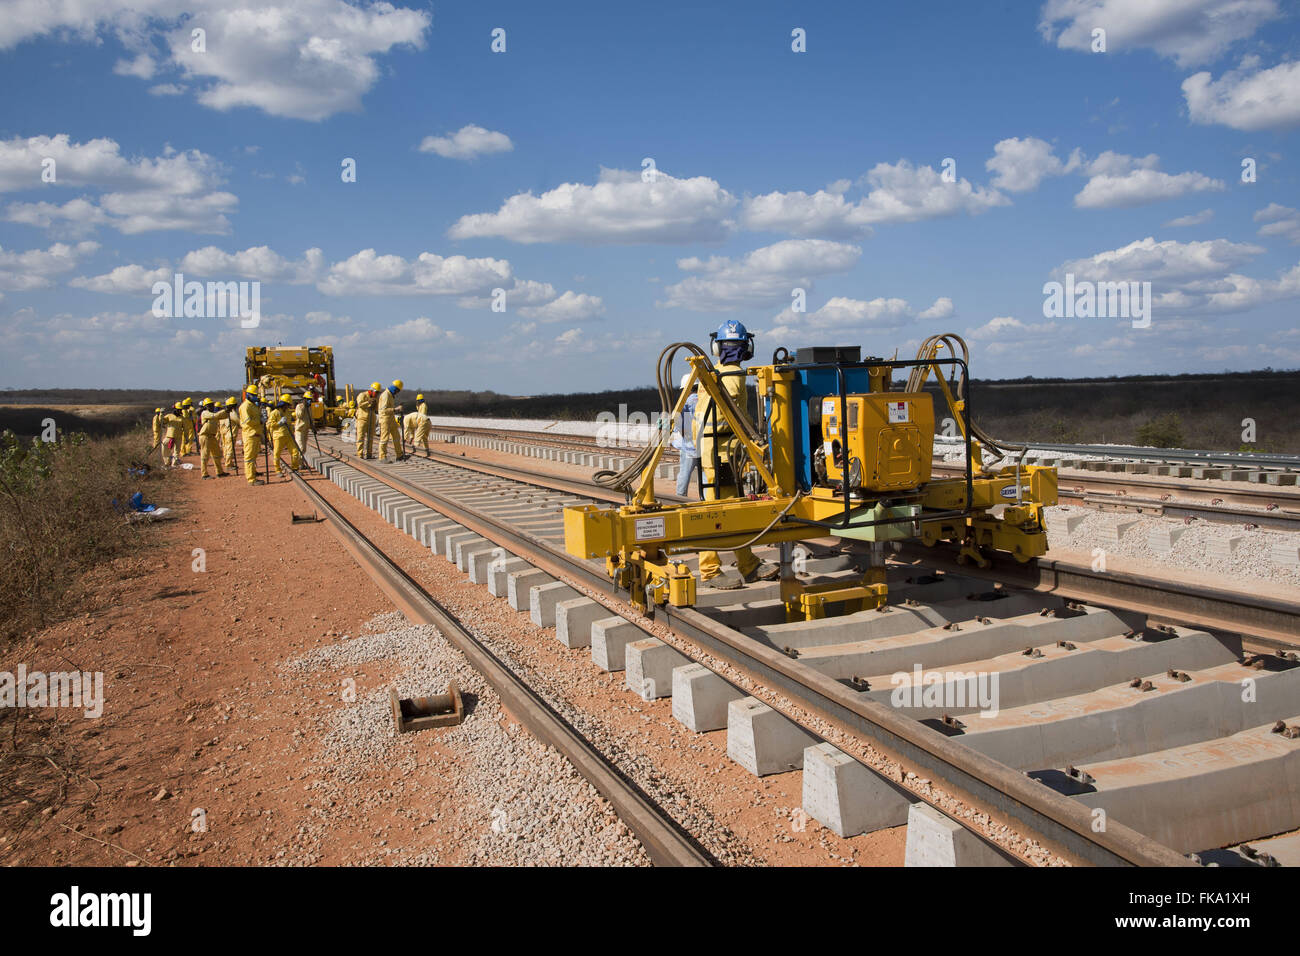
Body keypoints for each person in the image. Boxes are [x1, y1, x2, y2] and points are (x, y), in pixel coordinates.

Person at [693, 320, 779, 589]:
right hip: (720, 453)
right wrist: (752, 437)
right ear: (747, 348)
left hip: (717, 450)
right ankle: (709, 570)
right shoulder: (732, 377)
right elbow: (727, 413)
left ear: (717, 347)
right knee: (716, 512)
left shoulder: (717, 371)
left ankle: (748, 564)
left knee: (732, 508)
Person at [671, 373, 700, 498]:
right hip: (705, 445)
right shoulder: (705, 400)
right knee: (705, 474)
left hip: (689, 446)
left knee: (684, 473)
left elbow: (677, 423)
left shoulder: (684, 403)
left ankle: (680, 497)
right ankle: (706, 498)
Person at [238, 386, 265, 485]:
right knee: (249, 457)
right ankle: (251, 479)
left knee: (253, 456)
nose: (255, 397)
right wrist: (260, 421)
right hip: (250, 434)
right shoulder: (245, 406)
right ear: (249, 395)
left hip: (256, 433)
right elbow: (247, 421)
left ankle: (253, 473)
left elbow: (257, 417)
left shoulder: (253, 406)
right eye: (254, 395)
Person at [198, 398, 228, 478]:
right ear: (205, 407)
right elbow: (215, 416)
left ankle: (219, 472)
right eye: (209, 405)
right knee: (205, 455)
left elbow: (222, 416)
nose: (211, 406)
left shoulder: (214, 414)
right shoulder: (205, 413)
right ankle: (204, 474)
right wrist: (224, 410)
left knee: (217, 454)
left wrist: (227, 411)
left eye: (212, 405)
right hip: (205, 436)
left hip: (212, 436)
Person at [268, 397, 298, 473]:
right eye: (287, 405)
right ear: (283, 404)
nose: (288, 407)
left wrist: (292, 432)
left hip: (288, 435)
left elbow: (290, 424)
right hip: (279, 436)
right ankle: (278, 470)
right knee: (277, 454)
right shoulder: (274, 412)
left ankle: (295, 468)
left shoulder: (288, 412)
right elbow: (268, 425)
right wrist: (279, 423)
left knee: (295, 452)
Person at [377, 378, 403, 461]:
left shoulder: (390, 396)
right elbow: (383, 410)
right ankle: (382, 457)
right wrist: (396, 409)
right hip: (385, 420)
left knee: (396, 437)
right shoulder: (385, 395)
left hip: (391, 419)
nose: (397, 393)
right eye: (397, 391)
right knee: (384, 439)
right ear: (395, 389)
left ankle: (399, 455)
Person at [355, 383, 378, 459]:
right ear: (372, 390)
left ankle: (369, 454)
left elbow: (376, 409)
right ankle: (360, 454)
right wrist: (368, 402)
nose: (377, 394)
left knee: (370, 438)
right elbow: (360, 405)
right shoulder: (362, 395)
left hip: (371, 419)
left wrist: (375, 404)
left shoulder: (375, 398)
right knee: (360, 437)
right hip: (362, 419)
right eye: (376, 392)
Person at [162, 402, 185, 467]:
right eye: (178, 410)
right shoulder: (169, 416)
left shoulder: (182, 418)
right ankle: (167, 462)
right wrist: (161, 414)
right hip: (169, 436)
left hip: (178, 437)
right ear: (175, 409)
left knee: (177, 451)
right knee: (164, 446)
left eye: (180, 410)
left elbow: (185, 428)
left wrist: (186, 437)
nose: (179, 411)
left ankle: (174, 464)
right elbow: (162, 421)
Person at [220, 397, 238, 471]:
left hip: (225, 434)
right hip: (231, 434)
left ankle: (229, 463)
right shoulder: (232, 413)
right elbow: (238, 421)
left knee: (227, 449)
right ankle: (228, 464)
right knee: (230, 450)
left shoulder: (224, 412)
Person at [293, 390, 312, 462]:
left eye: (310, 400)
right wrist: (303, 407)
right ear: (305, 399)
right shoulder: (299, 406)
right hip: (299, 430)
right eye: (308, 400)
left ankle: (300, 462)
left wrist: (313, 426)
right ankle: (298, 463)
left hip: (305, 430)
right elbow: (299, 416)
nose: (309, 401)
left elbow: (310, 418)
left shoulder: (309, 408)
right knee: (300, 447)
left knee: (304, 448)